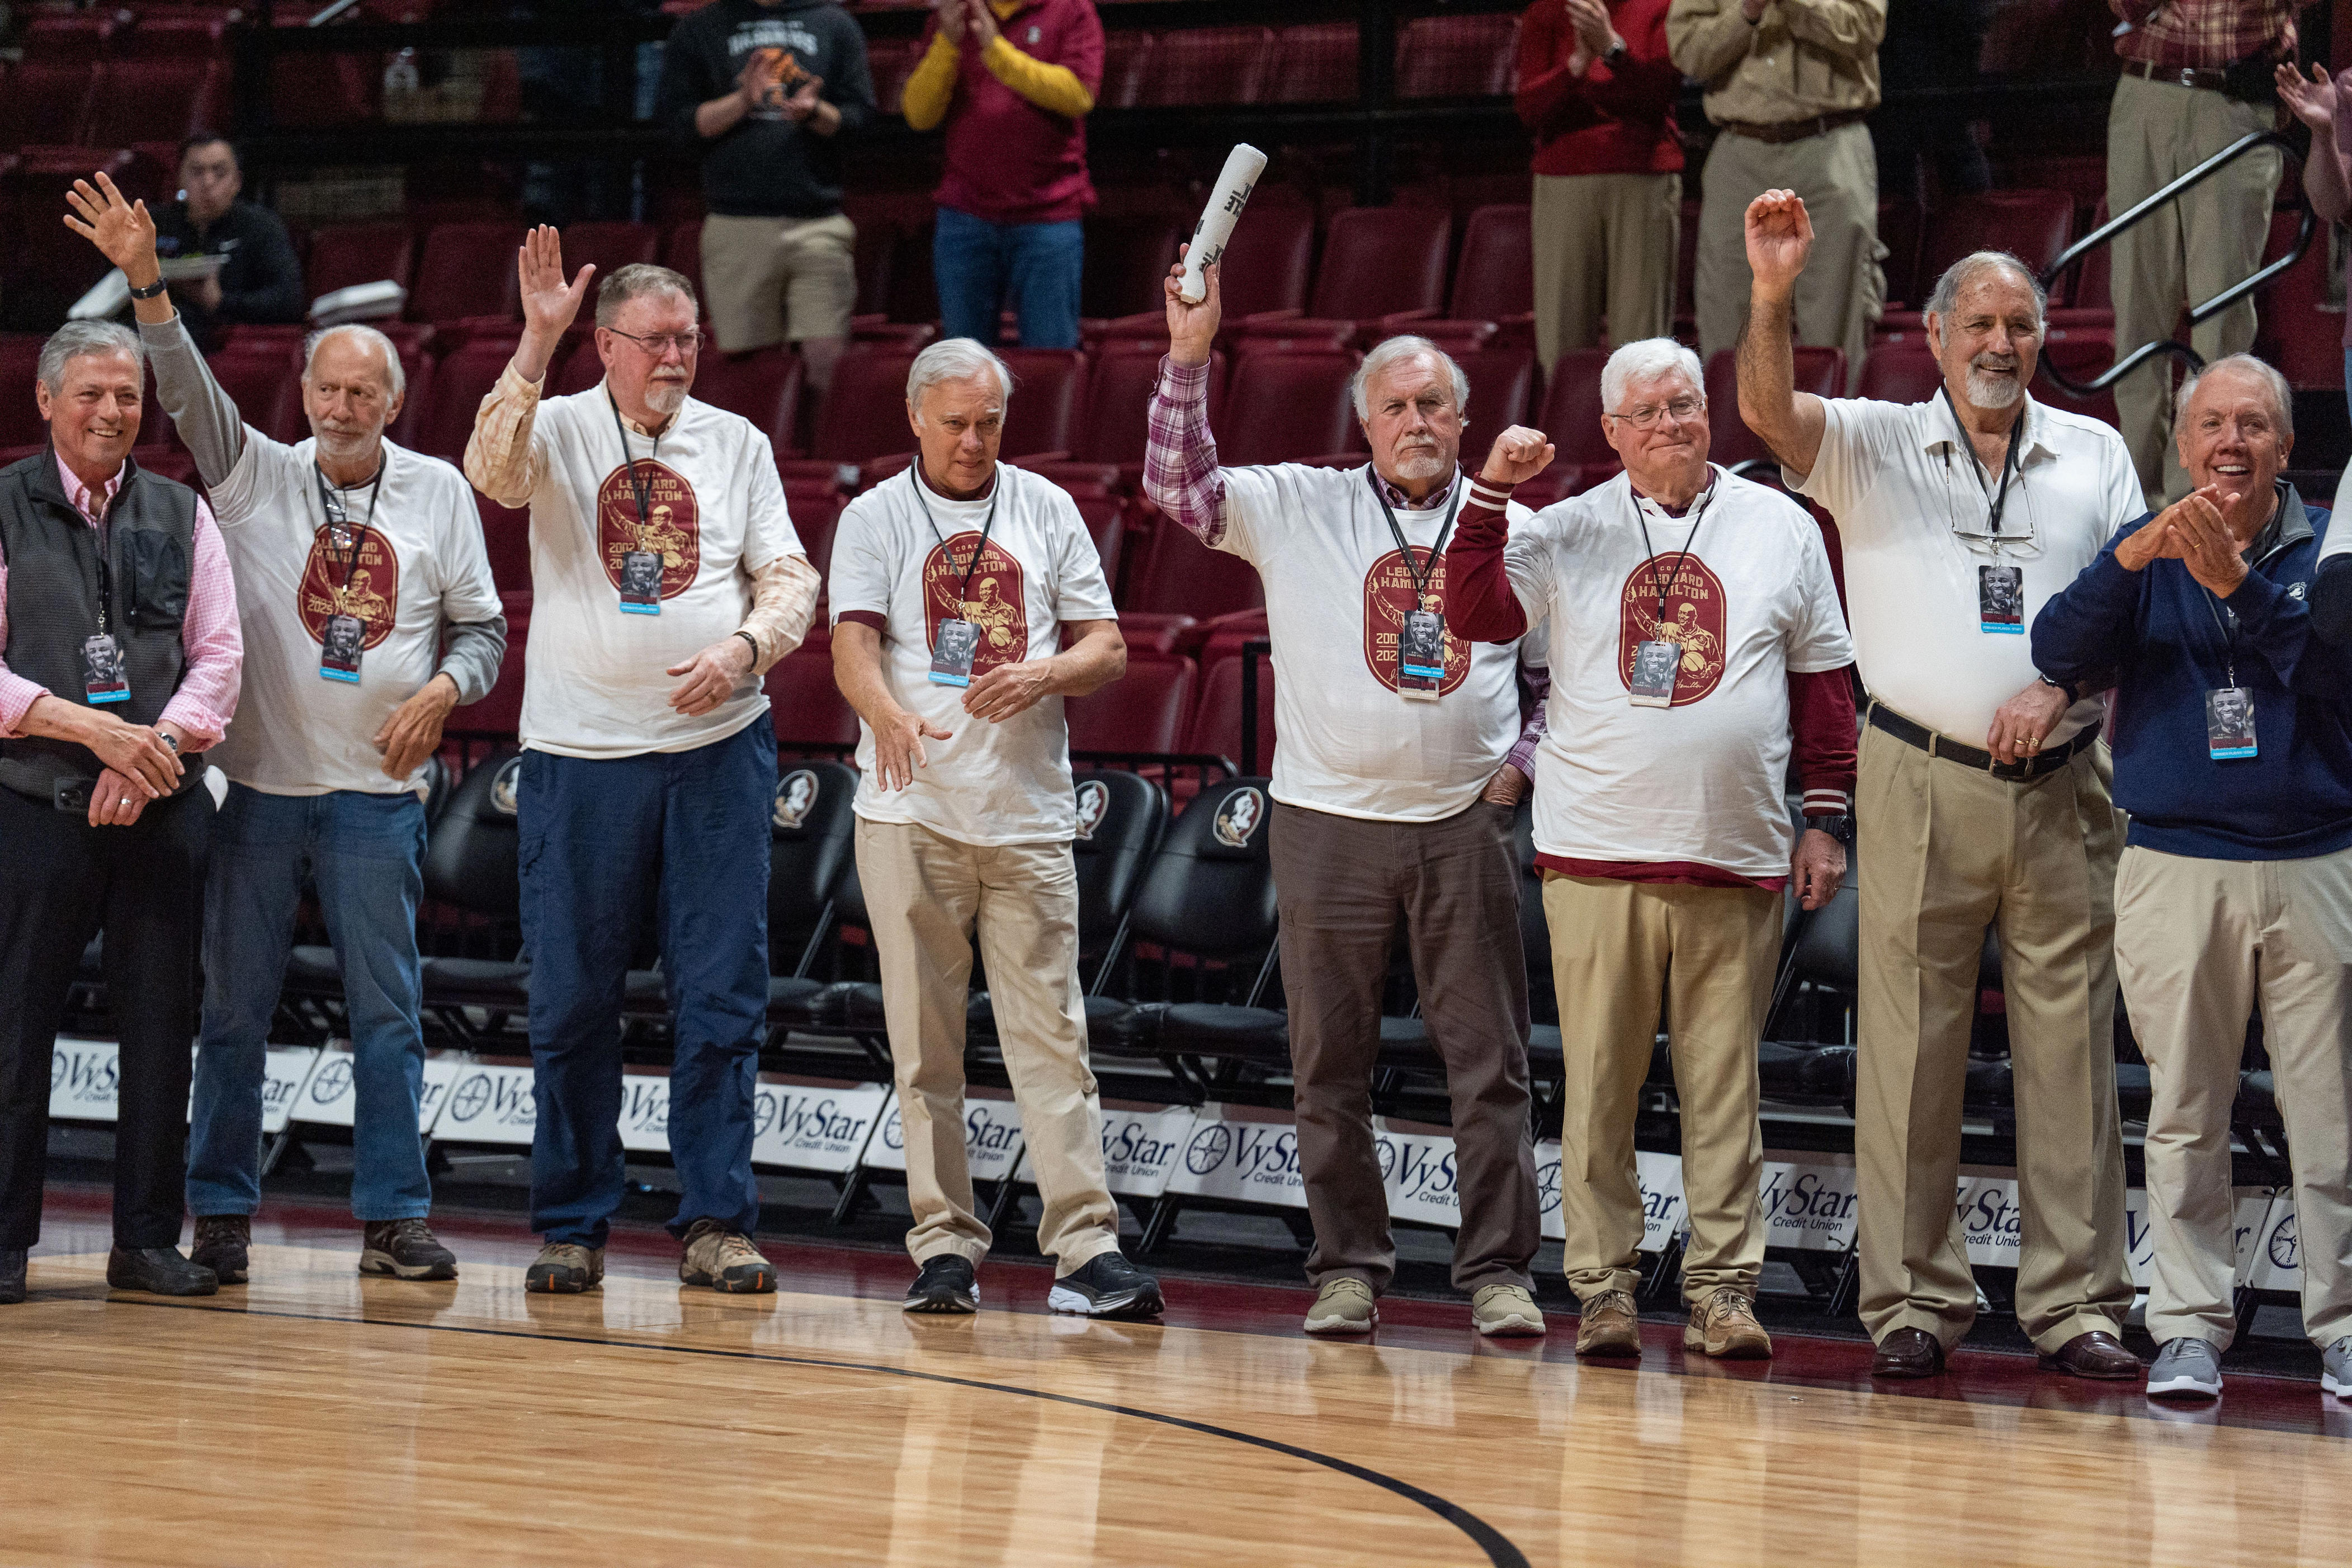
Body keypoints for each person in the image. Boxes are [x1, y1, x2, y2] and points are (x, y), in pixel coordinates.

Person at [67, 172, 507, 1287]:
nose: (342, 406)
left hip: (374, 797)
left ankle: (395, 1216)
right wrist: (146, 284)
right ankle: (219, 1213)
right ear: (304, 390)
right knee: (232, 1013)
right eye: (327, 386)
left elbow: (485, 634)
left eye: (364, 392)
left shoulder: (440, 493)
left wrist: (448, 691)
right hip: (258, 790)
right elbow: (186, 389)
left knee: (389, 1016)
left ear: (393, 403)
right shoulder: (255, 474)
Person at [1737, 195, 2146, 1380]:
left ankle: (2077, 1307)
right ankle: (1912, 1299)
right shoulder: (1868, 441)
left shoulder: (2097, 451)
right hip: (1914, 773)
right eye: (1981, 322)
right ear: (1935, 334)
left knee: (2069, 1057)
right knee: (1909, 1053)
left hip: (2067, 783)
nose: (2003, 343)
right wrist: (1775, 292)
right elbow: (1765, 410)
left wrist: (2064, 697)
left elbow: (2129, 617)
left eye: (2022, 322)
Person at [1145, 255, 1551, 1339]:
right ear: (1364, 424)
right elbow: (1178, 489)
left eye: (1433, 404)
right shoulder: (1299, 506)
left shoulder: (1516, 522)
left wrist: (1522, 767)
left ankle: (1501, 1272)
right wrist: (1190, 358)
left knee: (1491, 1066)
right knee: (1330, 1063)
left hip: (1467, 823)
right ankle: (1347, 1268)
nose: (1414, 420)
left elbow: (1559, 677)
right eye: (1394, 406)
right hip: (1327, 825)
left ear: (1464, 421)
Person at [1447, 337, 1857, 1361]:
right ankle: (1603, 1289)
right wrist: (1492, 492)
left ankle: (1722, 1290)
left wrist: (1826, 818)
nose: (1674, 421)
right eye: (1651, 410)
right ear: (1613, 432)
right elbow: (1473, 610)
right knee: (1598, 1091)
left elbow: (1824, 689)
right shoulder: (1569, 526)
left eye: (1686, 403)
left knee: (1725, 1091)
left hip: (1738, 853)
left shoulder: (1784, 523)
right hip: (1594, 854)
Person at [464, 234, 821, 1296]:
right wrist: (534, 343)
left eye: (689, 338)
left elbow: (790, 574)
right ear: (607, 345)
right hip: (582, 758)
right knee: (572, 998)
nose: (677, 355)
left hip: (716, 753)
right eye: (657, 340)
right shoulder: (560, 425)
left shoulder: (738, 441)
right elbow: (493, 471)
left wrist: (747, 646)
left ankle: (716, 1218)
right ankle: (573, 1220)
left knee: (720, 993)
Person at [2033, 354, 2352, 1402]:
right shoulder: (2150, 550)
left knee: (2332, 1114)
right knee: (2182, 1112)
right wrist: (2131, 559)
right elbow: (2056, 645)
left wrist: (2239, 589)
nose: (2232, 441)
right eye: (2212, 423)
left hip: (2318, 859)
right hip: (2176, 863)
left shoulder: (2326, 543)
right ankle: (2185, 1325)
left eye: (2254, 423)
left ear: (2286, 445)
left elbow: (2336, 671)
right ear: (2179, 442)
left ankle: (2341, 1326)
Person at [828, 338, 1161, 1317]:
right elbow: (851, 642)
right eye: (955, 423)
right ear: (915, 419)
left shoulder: (1046, 508)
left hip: (1025, 817)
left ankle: (1085, 1246)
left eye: (990, 422)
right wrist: (884, 711)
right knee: (924, 1045)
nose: (974, 440)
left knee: (1052, 1037)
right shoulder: (875, 514)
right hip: (910, 811)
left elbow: (1106, 646)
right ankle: (944, 1244)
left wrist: (1044, 672)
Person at [0, 320, 243, 1306]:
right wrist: (91, 734)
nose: (111, 411)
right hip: (32, 800)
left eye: (129, 397)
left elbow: (218, 656)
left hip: (159, 801)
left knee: (159, 1024)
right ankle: (5, 1242)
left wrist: (151, 753)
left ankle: (145, 1240)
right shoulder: (3, 503)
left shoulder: (181, 510)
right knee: (15, 1028)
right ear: (48, 401)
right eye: (92, 393)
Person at [2105, 0, 2294, 507]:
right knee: (2137, 307)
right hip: (2146, 90)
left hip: (2231, 101)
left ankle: (2197, 497)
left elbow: (2253, 18)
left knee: (2223, 312)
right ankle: (2132, 497)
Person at [656, 0, 875, 399]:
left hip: (818, 222)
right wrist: (743, 100)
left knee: (825, 357)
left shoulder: (835, 25)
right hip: (736, 222)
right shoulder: (700, 28)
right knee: (747, 370)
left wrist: (814, 112)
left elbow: (860, 122)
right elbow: (678, 128)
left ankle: (813, 456)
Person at [1669, 0, 1886, 376]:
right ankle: (1734, 434)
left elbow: (1865, 29)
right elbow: (1689, 54)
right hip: (1739, 151)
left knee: (1835, 324)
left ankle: (1837, 433)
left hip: (1830, 144)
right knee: (1727, 322)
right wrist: (1746, 15)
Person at [901, 0, 1104, 350]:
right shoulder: (950, 16)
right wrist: (948, 42)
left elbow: (1079, 94)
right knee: (964, 363)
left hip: (1048, 214)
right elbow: (919, 114)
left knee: (1051, 357)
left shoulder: (1072, 10)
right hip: (965, 216)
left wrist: (995, 51)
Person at [1515, 0, 1685, 371]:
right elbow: (1528, 109)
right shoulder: (1545, 12)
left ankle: (1641, 428)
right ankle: (1568, 426)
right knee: (1562, 342)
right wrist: (1575, 66)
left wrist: (1612, 49)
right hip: (1564, 177)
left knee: (1643, 349)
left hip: (1642, 174)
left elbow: (1662, 92)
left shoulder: (1661, 7)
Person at [149, 135, 306, 350]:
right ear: (180, 180)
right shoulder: (154, 224)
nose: (208, 183)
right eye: (197, 172)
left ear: (237, 182)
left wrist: (221, 302)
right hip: (163, 335)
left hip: (236, 341)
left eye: (219, 172)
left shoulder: (261, 225)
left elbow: (290, 300)